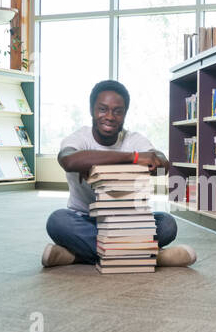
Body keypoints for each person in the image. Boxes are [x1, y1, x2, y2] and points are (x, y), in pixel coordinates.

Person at [42, 79, 197, 268]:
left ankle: (76, 256)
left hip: (127, 222)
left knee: (167, 224)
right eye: (102, 109)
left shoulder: (134, 139)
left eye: (117, 111)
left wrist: (152, 159)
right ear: (92, 110)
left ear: (124, 114)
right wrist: (132, 158)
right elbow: (68, 160)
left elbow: (162, 163)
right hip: (84, 219)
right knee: (57, 221)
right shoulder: (79, 138)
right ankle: (151, 256)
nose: (109, 116)